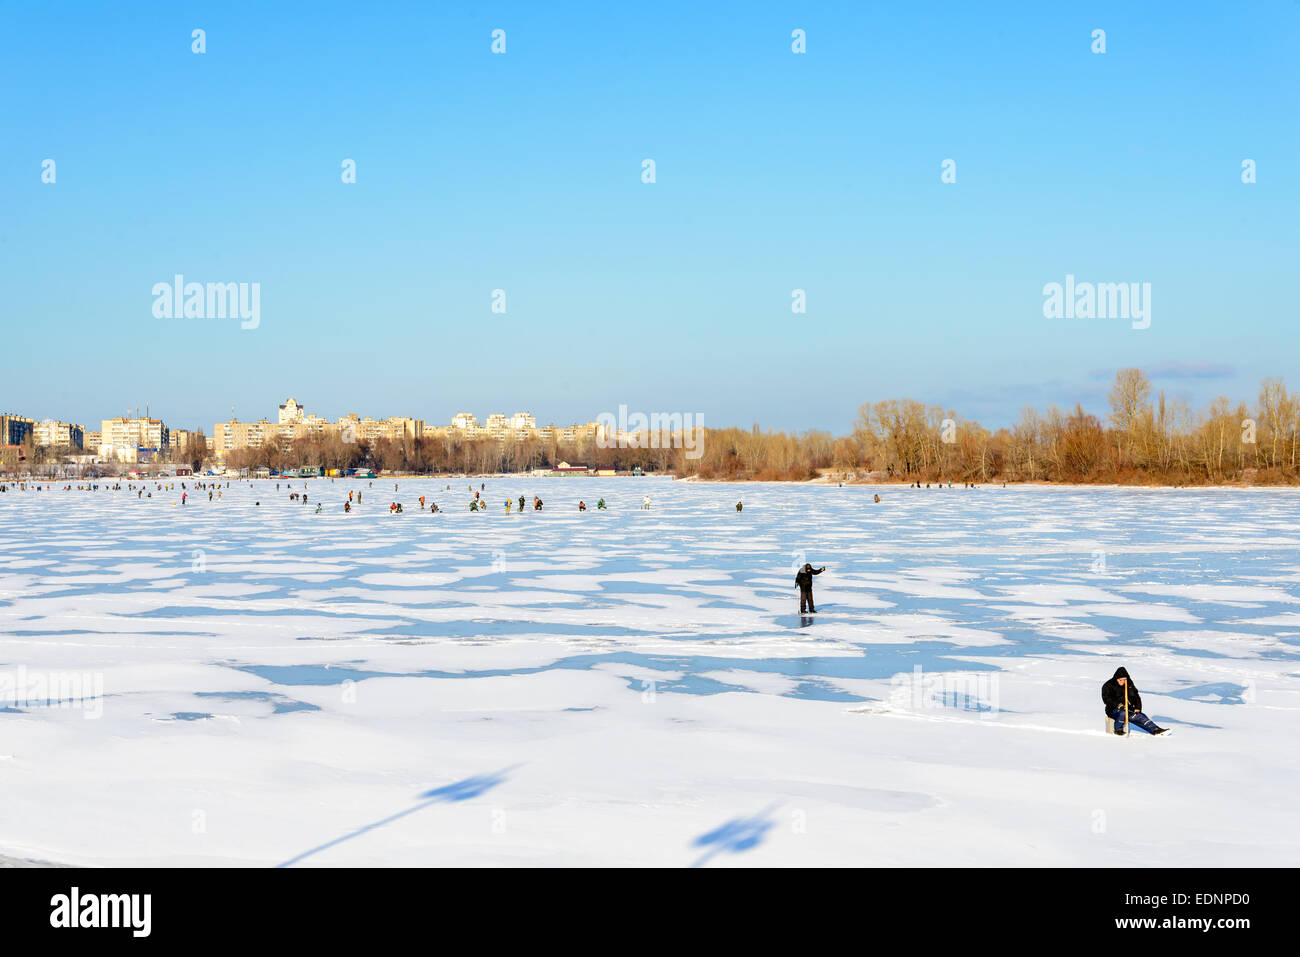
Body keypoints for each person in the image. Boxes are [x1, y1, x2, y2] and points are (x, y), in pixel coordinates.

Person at [1102, 667, 1168, 735]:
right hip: (1113, 709)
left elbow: (1136, 696)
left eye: (1124, 680)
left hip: (1128, 708)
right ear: (1116, 678)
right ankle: (1118, 730)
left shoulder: (1129, 684)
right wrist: (1118, 705)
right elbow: (1106, 699)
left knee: (1140, 716)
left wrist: (1138, 707)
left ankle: (1155, 730)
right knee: (1123, 714)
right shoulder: (1108, 685)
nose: (1122, 682)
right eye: (1120, 680)